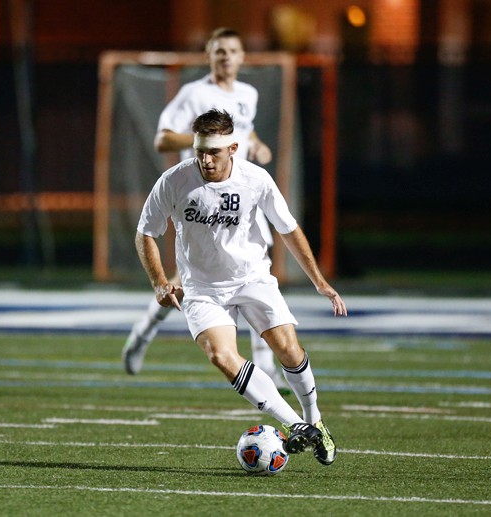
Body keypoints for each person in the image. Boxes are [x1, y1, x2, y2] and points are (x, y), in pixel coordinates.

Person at [134, 108, 347, 465]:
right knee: (220, 355)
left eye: (213, 152)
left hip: (252, 279)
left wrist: (320, 283)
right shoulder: (174, 180)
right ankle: (296, 425)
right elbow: (145, 233)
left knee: (289, 350)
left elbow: (288, 229)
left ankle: (314, 420)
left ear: (233, 148)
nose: (205, 159)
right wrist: (158, 282)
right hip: (202, 289)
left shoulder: (256, 179)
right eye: (199, 150)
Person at [123, 27, 284, 390]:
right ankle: (143, 333)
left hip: (241, 194)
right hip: (201, 196)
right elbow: (162, 137)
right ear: (209, 57)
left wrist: (256, 145)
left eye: (232, 50)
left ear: (243, 57)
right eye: (219, 51)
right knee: (187, 283)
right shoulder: (193, 93)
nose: (226, 57)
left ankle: (265, 363)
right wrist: (209, 143)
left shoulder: (248, 93)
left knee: (256, 270)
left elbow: (246, 130)